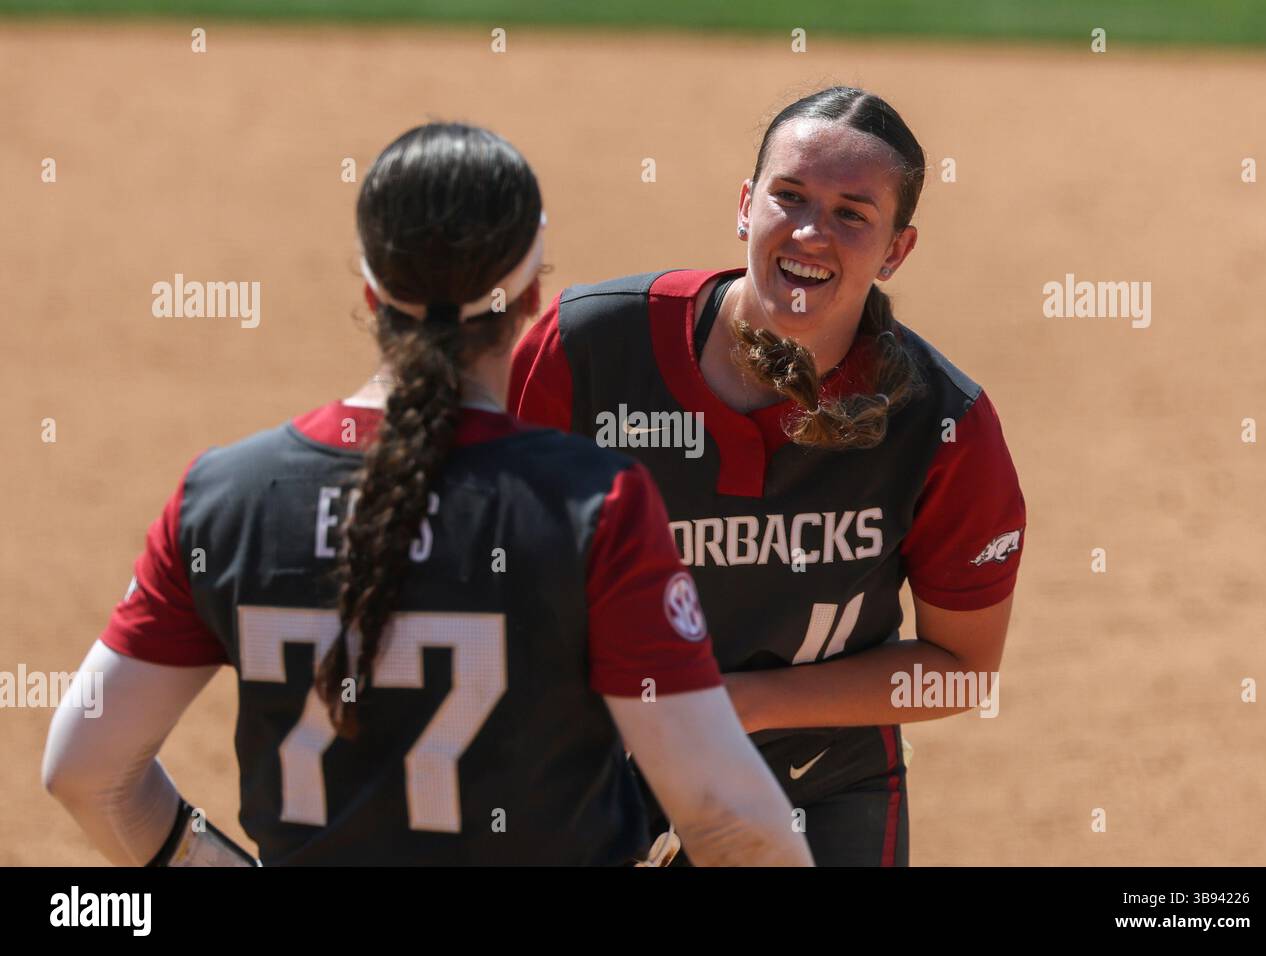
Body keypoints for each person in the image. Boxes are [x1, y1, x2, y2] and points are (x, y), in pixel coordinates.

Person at [42, 123, 812, 868]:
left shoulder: (225, 498)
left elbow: (84, 771)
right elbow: (730, 821)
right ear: (531, 294)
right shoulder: (593, 506)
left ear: (372, 291)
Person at [509, 87, 1027, 866]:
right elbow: (493, 570)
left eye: (854, 213)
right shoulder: (590, 349)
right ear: (746, 206)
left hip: (820, 778)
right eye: (790, 196)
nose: (812, 231)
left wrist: (734, 707)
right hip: (599, 751)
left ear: (897, 250)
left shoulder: (941, 422)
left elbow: (960, 672)